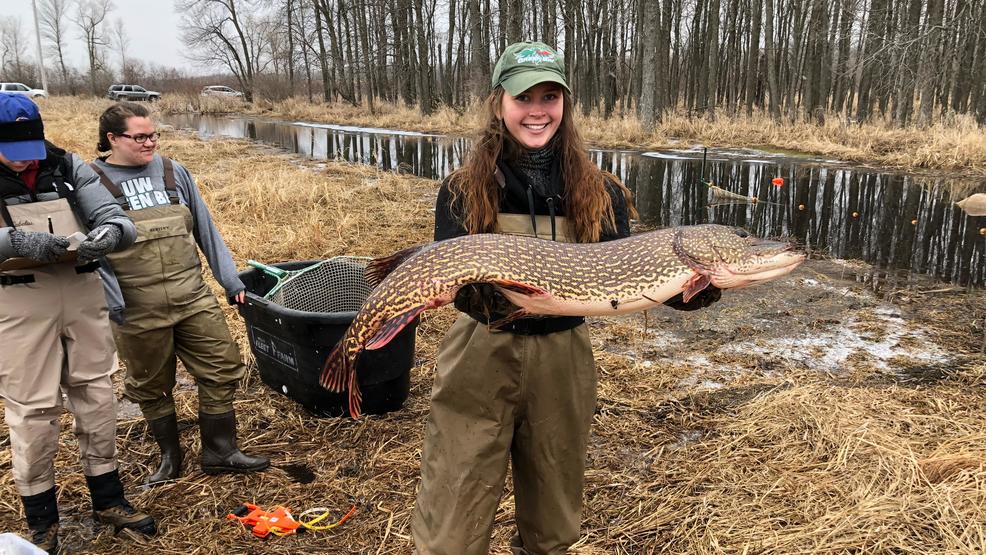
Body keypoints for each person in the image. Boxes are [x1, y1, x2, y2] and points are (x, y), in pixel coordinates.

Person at [411, 42, 720, 555]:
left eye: (549, 97)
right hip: (480, 352)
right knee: (451, 521)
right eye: (523, 97)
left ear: (565, 104)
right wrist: (497, 297)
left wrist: (702, 286)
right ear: (498, 102)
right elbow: (461, 292)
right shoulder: (464, 190)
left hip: (563, 357)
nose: (537, 111)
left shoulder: (601, 191)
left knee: (553, 522)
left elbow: (637, 280)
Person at [0, 92, 156, 552]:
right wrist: (16, 242)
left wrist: (110, 232)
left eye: (29, 147)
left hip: (83, 291)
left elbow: (117, 218)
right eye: (12, 150)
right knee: (33, 410)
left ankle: (109, 501)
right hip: (19, 300)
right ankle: (43, 521)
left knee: (98, 395)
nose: (23, 159)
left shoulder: (66, 165)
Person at [89, 102, 269, 486]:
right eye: (140, 137)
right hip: (136, 308)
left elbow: (205, 228)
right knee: (151, 385)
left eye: (153, 135)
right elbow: (90, 253)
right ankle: (170, 460)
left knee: (222, 367)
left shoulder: (173, 171)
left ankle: (221, 451)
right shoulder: (91, 183)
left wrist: (232, 282)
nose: (150, 143)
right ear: (112, 138)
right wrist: (111, 304)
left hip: (192, 297)